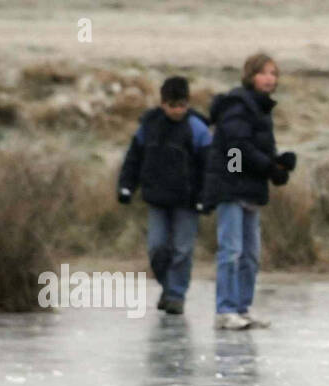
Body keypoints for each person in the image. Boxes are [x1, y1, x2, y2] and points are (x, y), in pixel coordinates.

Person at [201, 52, 296, 330]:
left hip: (251, 190)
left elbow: (258, 148)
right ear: (250, 76)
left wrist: (279, 164)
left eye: (274, 74)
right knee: (231, 251)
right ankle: (225, 309)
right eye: (264, 73)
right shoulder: (238, 105)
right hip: (232, 190)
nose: (270, 79)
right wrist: (267, 168)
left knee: (251, 254)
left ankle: (242, 307)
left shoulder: (261, 108)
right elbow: (235, 150)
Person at [117, 76, 211, 315]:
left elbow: (209, 166)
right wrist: (126, 186)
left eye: (182, 105)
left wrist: (206, 196)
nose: (178, 110)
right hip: (157, 199)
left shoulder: (198, 129)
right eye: (173, 105)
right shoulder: (148, 127)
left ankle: (175, 296)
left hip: (188, 202)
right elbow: (133, 159)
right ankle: (168, 287)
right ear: (162, 103)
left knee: (182, 250)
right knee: (157, 249)